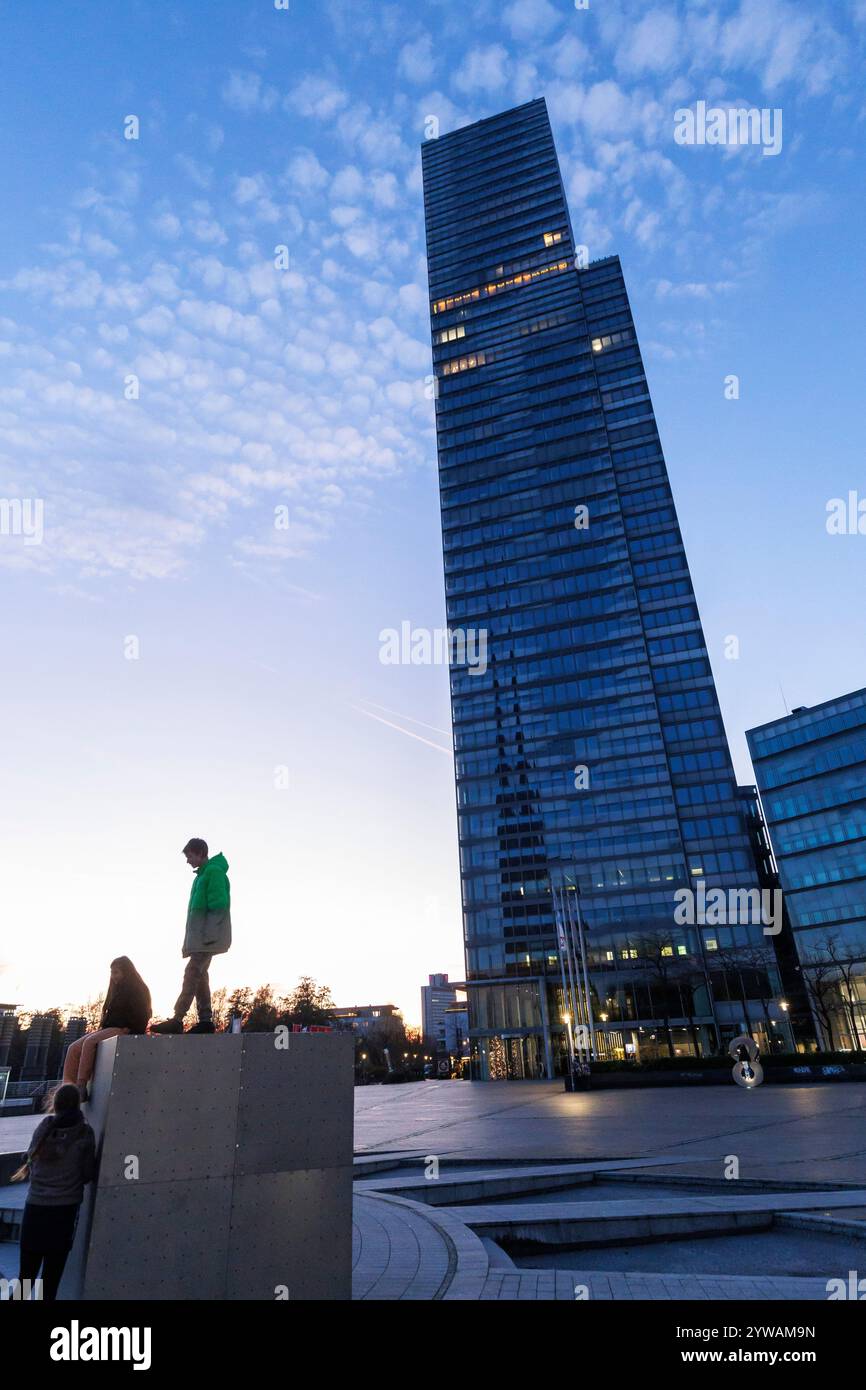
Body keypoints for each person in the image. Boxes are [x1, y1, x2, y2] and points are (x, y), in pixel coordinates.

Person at [11, 1083, 96, 1301]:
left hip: (35, 1210)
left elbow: (29, 1159)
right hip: (63, 1215)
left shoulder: (45, 1127)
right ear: (78, 1105)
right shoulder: (85, 1134)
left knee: (25, 1279)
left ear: (55, 1105)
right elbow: (87, 1175)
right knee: (51, 1283)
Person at [152, 838, 231, 1035]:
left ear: (200, 853)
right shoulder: (201, 876)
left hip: (206, 939)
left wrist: (209, 936)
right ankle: (205, 1021)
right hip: (200, 939)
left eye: (189, 856)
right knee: (201, 978)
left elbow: (219, 904)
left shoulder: (213, 872)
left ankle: (178, 1018)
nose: (188, 861)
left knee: (192, 973)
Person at [63, 957, 152, 1092]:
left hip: (124, 1029)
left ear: (125, 972)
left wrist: (132, 1029)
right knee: (73, 1048)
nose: (113, 976)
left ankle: (81, 1086)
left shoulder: (138, 989)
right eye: (112, 972)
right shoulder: (115, 990)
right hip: (109, 1028)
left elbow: (143, 1013)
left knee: (89, 1042)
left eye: (116, 972)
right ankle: (67, 1088)